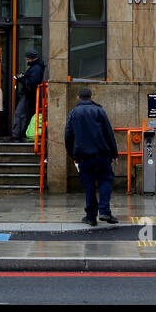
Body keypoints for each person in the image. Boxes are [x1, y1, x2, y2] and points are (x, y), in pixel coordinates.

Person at [64, 87, 119, 226]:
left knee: (89, 185)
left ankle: (91, 216)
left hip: (83, 156)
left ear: (78, 98)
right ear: (91, 97)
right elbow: (108, 133)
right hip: (102, 154)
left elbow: (68, 136)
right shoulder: (99, 111)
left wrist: (72, 154)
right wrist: (114, 153)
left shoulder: (73, 113)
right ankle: (105, 211)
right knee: (106, 181)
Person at [11, 49, 46, 141]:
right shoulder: (36, 67)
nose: (27, 61)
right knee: (23, 114)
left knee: (19, 114)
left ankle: (16, 135)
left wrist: (21, 79)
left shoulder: (36, 68)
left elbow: (32, 83)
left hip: (28, 94)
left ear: (31, 58)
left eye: (27, 59)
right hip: (30, 94)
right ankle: (19, 134)